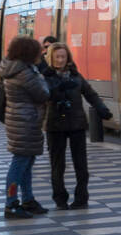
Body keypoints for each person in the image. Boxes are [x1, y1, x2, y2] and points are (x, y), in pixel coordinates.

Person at [41, 42, 110, 209]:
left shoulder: (75, 75)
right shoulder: (44, 77)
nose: (60, 60)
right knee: (58, 165)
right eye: (57, 57)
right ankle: (60, 199)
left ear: (68, 57)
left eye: (63, 56)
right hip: (55, 125)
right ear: (51, 58)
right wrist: (55, 89)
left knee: (81, 164)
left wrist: (102, 109)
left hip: (76, 124)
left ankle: (81, 198)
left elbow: (90, 93)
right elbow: (40, 96)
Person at [0, 36, 50, 219]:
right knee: (20, 163)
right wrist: (42, 76)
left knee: (27, 162)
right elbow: (42, 94)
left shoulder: (15, 68)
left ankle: (28, 199)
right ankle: (11, 203)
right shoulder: (24, 72)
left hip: (20, 120)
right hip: (25, 122)